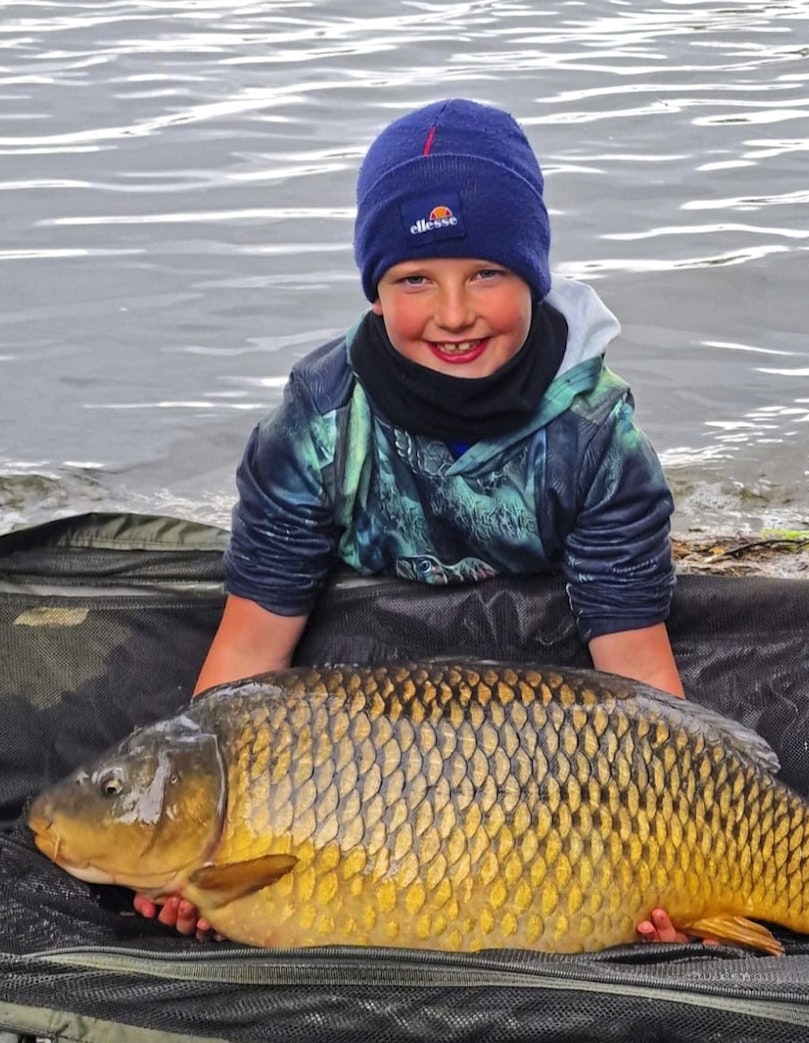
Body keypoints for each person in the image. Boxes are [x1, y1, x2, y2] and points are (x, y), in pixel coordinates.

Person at [136, 97, 684, 938]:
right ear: (376, 287)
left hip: (537, 721)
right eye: (414, 280)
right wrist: (201, 845)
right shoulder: (318, 421)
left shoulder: (595, 438)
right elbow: (249, 650)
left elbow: (638, 672)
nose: (454, 313)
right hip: (359, 710)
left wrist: (677, 853)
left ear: (533, 274)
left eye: (487, 275)